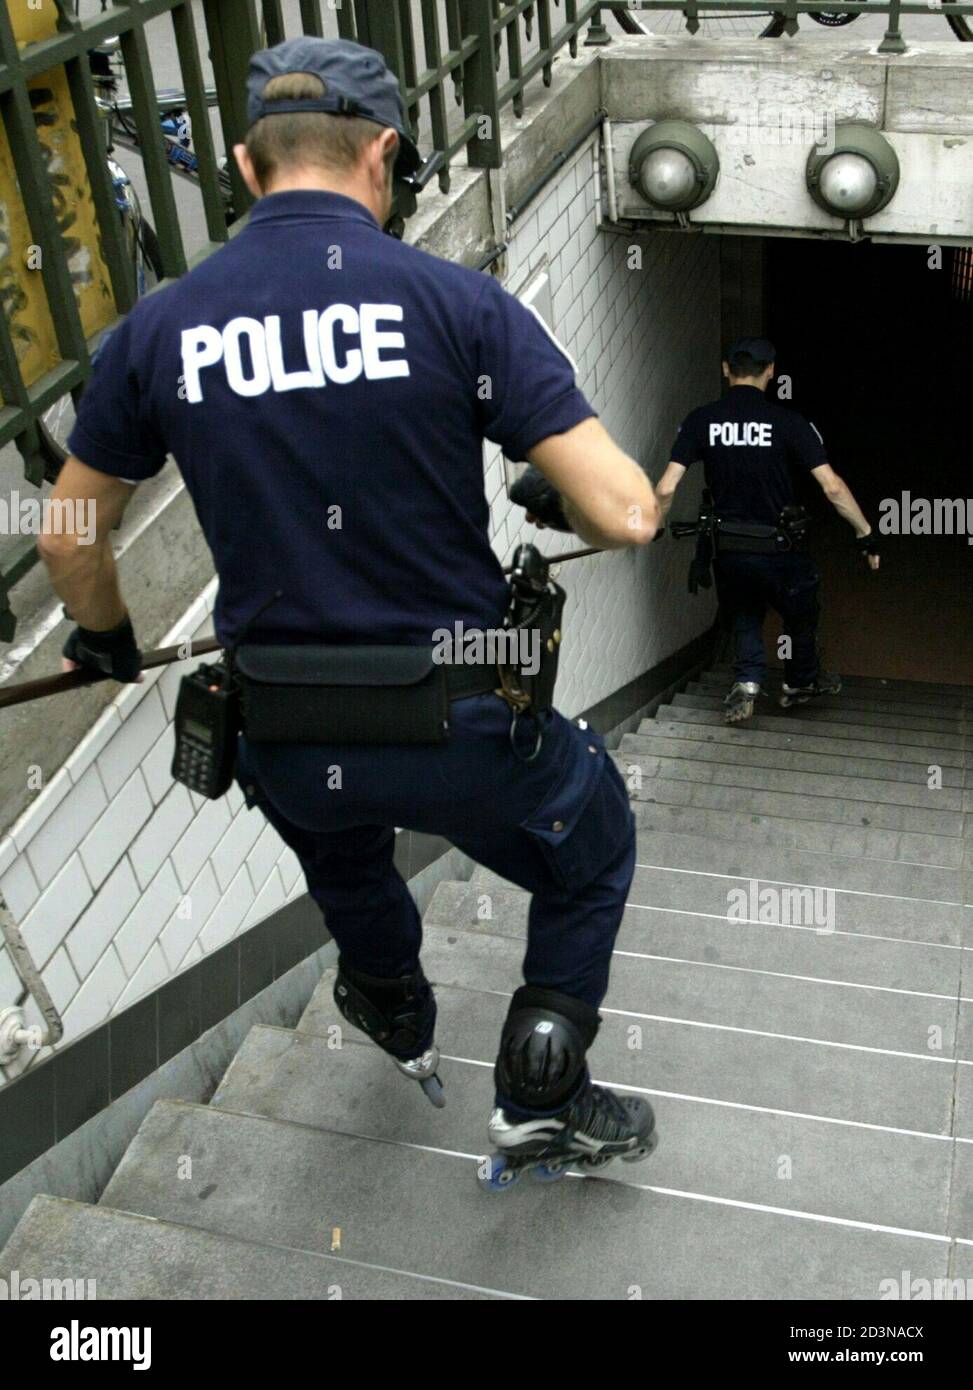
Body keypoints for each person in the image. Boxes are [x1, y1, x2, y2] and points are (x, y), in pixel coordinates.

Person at [38, 37, 661, 1178]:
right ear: (383, 154)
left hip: (284, 726)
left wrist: (109, 637)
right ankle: (541, 1082)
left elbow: (67, 531)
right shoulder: (454, 304)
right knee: (595, 845)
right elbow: (626, 513)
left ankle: (394, 1004)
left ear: (240, 163)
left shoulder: (165, 327)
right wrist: (544, 484)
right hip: (463, 729)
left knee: (345, 859)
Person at [653, 337, 880, 723]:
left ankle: (748, 683)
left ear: (726, 369)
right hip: (781, 548)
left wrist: (655, 525)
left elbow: (665, 487)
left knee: (743, 612)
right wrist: (865, 534)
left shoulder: (701, 420)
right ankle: (800, 683)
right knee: (801, 615)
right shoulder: (790, 422)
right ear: (771, 371)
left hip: (730, 547)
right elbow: (833, 487)